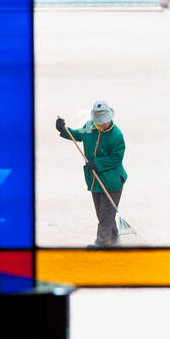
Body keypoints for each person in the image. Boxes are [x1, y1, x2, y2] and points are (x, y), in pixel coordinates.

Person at [56, 100, 127, 248]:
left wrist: (97, 163)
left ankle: (101, 242)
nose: (102, 124)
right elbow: (76, 135)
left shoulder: (117, 136)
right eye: (100, 121)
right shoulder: (90, 126)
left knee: (106, 212)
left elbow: (116, 158)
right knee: (103, 213)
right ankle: (114, 238)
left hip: (112, 180)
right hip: (95, 179)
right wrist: (63, 130)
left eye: (105, 121)